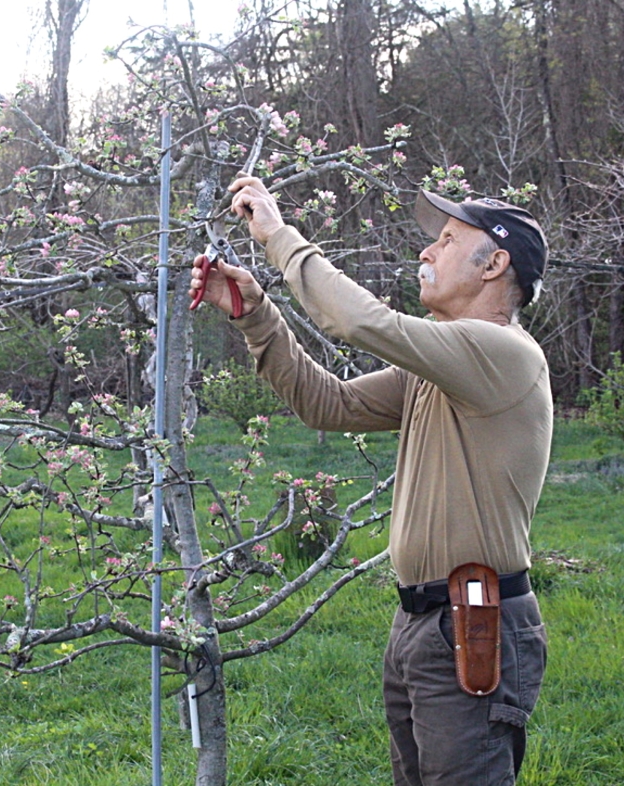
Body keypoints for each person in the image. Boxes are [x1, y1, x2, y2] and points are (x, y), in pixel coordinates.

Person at [190, 176, 551, 786]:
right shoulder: (440, 366)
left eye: (445, 240)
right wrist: (257, 317)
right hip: (420, 624)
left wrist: (278, 236)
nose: (426, 253)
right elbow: (326, 404)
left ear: (494, 263)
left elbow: (361, 322)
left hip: (473, 627)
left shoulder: (503, 353)